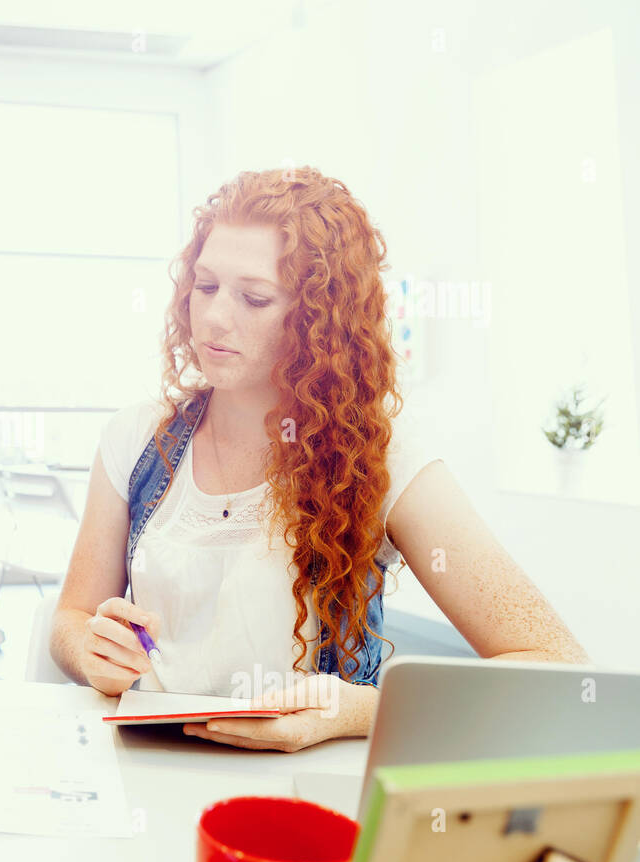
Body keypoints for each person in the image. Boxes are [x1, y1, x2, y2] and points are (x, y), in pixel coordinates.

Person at [51, 167, 588, 751]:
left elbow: (557, 667)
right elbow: (70, 618)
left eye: (254, 297)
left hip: (301, 800)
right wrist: (90, 652)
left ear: (318, 318)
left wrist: (358, 710)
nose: (213, 318)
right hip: (147, 780)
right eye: (205, 287)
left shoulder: (383, 458)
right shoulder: (138, 437)